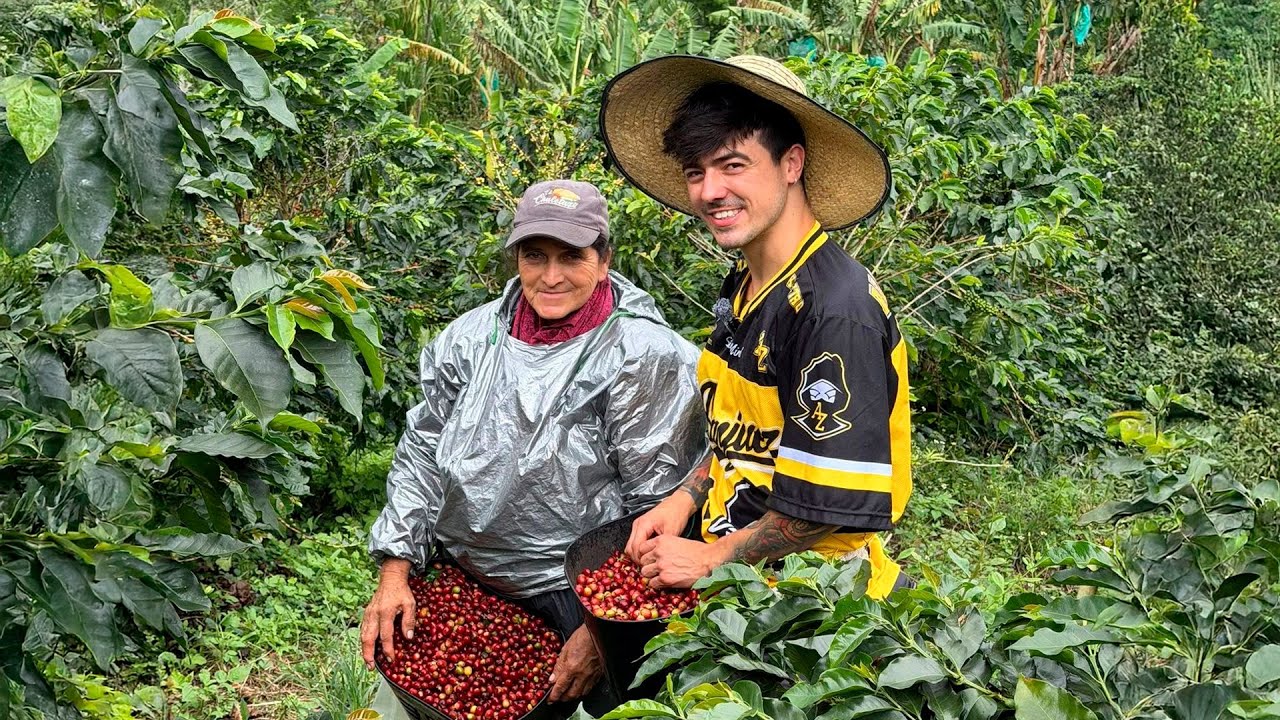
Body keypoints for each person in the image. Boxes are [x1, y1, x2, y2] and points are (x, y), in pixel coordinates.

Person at [361, 179, 707, 712]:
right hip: (466, 572)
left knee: (620, 700)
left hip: (578, 583)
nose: (551, 276)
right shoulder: (470, 339)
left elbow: (655, 514)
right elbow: (422, 452)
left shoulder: (642, 354)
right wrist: (395, 568)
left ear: (605, 257)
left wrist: (600, 631)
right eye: (534, 255)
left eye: (572, 257)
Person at [600, 55, 913, 599]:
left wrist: (712, 557)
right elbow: (744, 439)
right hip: (746, 588)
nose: (709, 191)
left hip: (813, 607)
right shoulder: (745, 285)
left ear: (791, 164)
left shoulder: (832, 311)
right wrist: (685, 499)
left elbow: (822, 506)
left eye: (732, 165)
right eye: (696, 173)